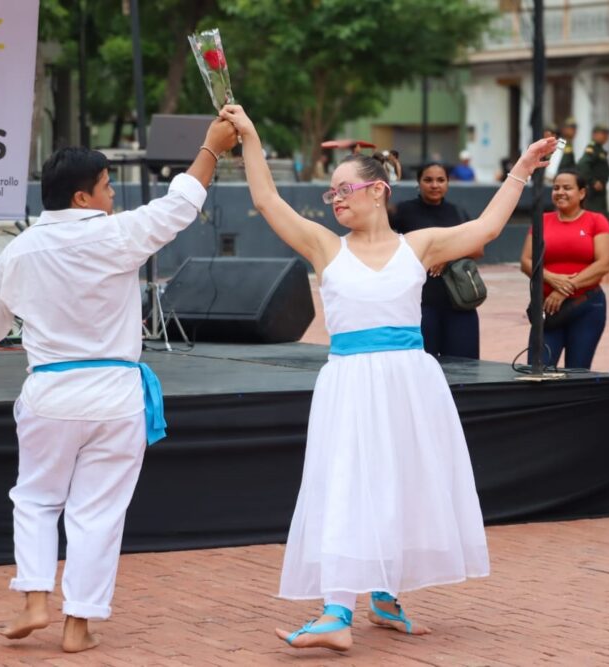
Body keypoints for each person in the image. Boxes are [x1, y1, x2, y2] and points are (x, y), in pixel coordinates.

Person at [220, 103, 554, 653]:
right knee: (346, 485)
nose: (335, 200)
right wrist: (251, 137)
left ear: (377, 190)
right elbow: (267, 201)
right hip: (350, 384)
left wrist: (521, 167)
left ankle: (383, 596)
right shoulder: (325, 246)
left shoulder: (417, 246)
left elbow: (486, 229)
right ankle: (335, 612)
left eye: (344, 190)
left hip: (407, 384)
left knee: (399, 485)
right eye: (331, 193)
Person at [0, 119, 238, 653]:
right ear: (82, 197)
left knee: (36, 500)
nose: (112, 196)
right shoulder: (116, 234)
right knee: (98, 514)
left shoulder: (20, 250)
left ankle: (35, 597)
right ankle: (77, 625)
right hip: (114, 397)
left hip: (52, 394)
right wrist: (211, 149)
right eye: (106, 187)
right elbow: (180, 204)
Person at [520, 170, 609, 369]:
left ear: (582, 193)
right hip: (548, 309)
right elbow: (526, 261)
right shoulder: (542, 220)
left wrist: (564, 288)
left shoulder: (596, 221)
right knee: (538, 370)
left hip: (586, 307)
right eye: (556, 188)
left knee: (577, 372)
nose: (560, 192)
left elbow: (603, 264)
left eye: (567, 188)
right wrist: (551, 278)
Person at [391, 162, 480, 358]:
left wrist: (446, 256)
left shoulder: (457, 212)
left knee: (464, 367)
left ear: (448, 183)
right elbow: (383, 240)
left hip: (458, 302)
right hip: (418, 303)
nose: (434, 185)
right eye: (428, 180)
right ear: (418, 182)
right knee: (419, 363)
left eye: (440, 180)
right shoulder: (403, 211)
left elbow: (478, 248)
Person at [577, 124, 609, 216]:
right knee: (595, 213)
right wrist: (593, 181)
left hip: (600, 190)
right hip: (594, 190)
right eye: (603, 133)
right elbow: (583, 165)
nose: (606, 136)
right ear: (595, 135)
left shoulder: (599, 149)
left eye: (607, 134)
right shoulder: (592, 148)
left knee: (600, 213)